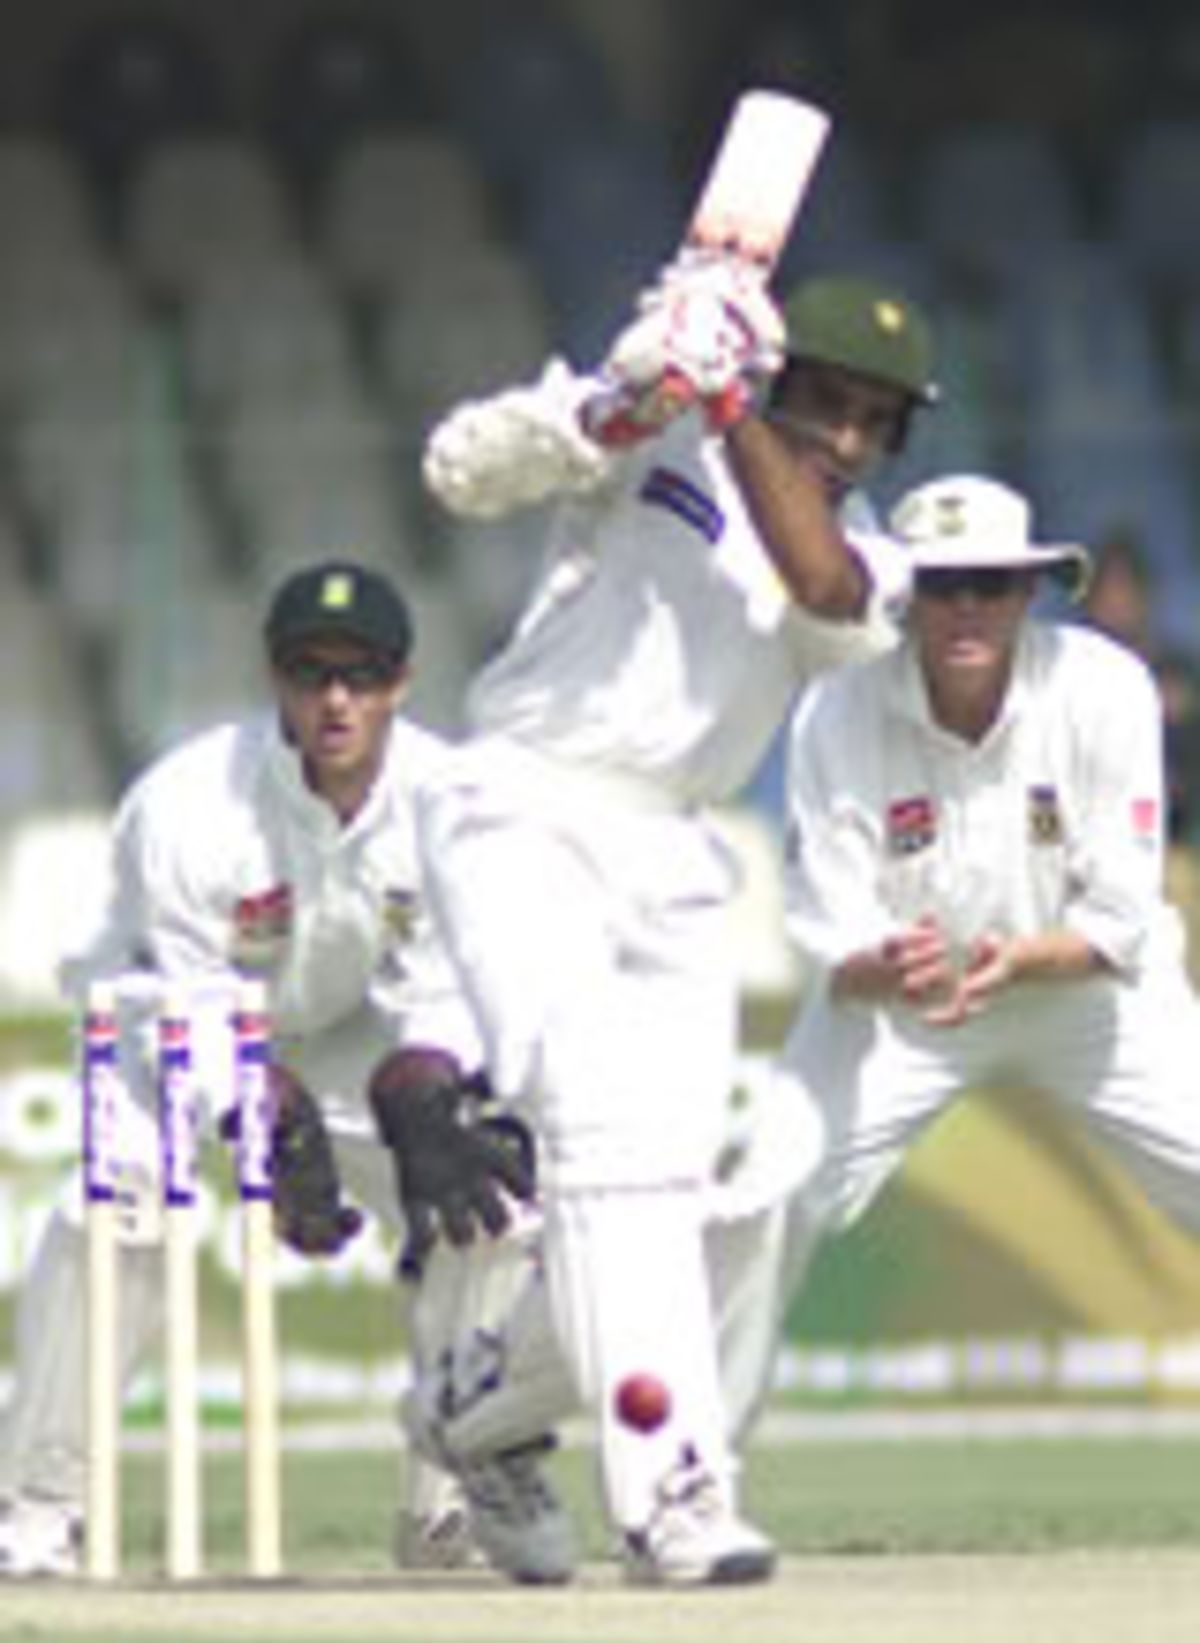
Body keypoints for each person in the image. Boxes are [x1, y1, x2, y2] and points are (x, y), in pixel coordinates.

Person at [404, 264, 939, 1586]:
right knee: (592, 1128)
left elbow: (817, 586)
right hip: (521, 800)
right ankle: (677, 1493)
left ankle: (475, 1414)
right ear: (784, 377)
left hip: (679, 849)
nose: (851, 441)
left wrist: (733, 404)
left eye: (881, 421)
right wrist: (624, 398)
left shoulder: (875, 552)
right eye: (831, 404)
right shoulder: (656, 430)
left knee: (667, 1196)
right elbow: (460, 470)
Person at [0, 559, 538, 1578]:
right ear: (276, 678)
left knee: (490, 1211)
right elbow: (195, 993)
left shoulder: (447, 796)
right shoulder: (191, 801)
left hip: (347, 1030)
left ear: (402, 680)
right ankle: (36, 1507)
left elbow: (453, 973)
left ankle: (446, 1501)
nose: (336, 699)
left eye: (362, 674)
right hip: (158, 1022)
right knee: (106, 1215)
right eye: (311, 671)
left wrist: (427, 1077)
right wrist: (261, 1111)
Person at [771, 473, 1200, 1358]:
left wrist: (1024, 958)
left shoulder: (1106, 686)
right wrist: (886, 966)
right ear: (905, 593)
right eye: (941, 585)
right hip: (909, 1011)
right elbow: (831, 925)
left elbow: (1122, 911)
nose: (966, 608)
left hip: (1092, 994)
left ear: (1030, 591)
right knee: (762, 1209)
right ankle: (614, 1457)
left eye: (991, 584)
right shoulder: (836, 708)